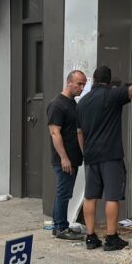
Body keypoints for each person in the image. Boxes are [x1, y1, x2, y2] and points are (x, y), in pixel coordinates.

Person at [77, 48, 132, 252]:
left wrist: (85, 153)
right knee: (112, 196)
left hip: (91, 156)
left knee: (90, 196)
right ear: (108, 82)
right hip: (110, 155)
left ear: (93, 80)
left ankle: (90, 237)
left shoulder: (82, 102)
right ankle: (111, 237)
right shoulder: (112, 95)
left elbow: (79, 132)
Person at [45, 69, 87, 241]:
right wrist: (64, 157)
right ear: (69, 82)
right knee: (63, 192)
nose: (82, 88)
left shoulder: (72, 103)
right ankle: (61, 227)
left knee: (65, 192)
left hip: (73, 157)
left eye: (84, 84)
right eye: (79, 84)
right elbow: (55, 133)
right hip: (64, 159)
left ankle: (59, 226)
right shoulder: (57, 104)